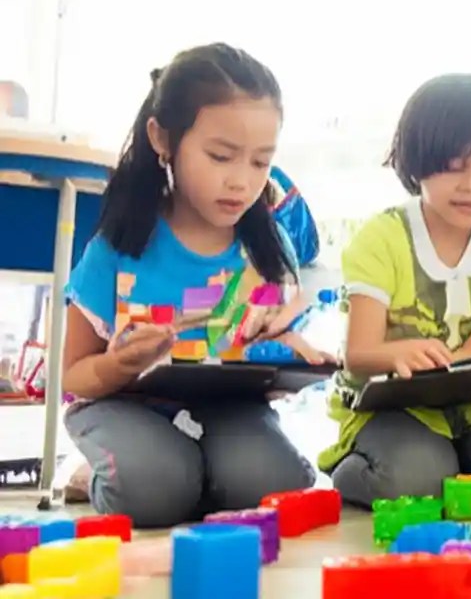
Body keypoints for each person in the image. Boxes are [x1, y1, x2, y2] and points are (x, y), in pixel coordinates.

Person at [62, 44, 321, 527]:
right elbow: (74, 376)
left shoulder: (268, 248)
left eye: (261, 162)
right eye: (221, 156)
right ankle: (104, 471)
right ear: (162, 139)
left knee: (269, 489)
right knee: (152, 493)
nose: (242, 182)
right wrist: (119, 364)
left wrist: (285, 351)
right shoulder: (120, 246)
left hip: (226, 409)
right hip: (124, 404)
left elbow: (269, 366)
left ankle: (194, 472)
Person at [318, 74, 471, 506]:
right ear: (417, 163)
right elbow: (359, 351)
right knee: (414, 482)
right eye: (454, 167)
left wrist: (445, 371)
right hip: (387, 406)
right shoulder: (381, 239)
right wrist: (399, 354)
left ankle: (453, 464)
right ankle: (350, 465)